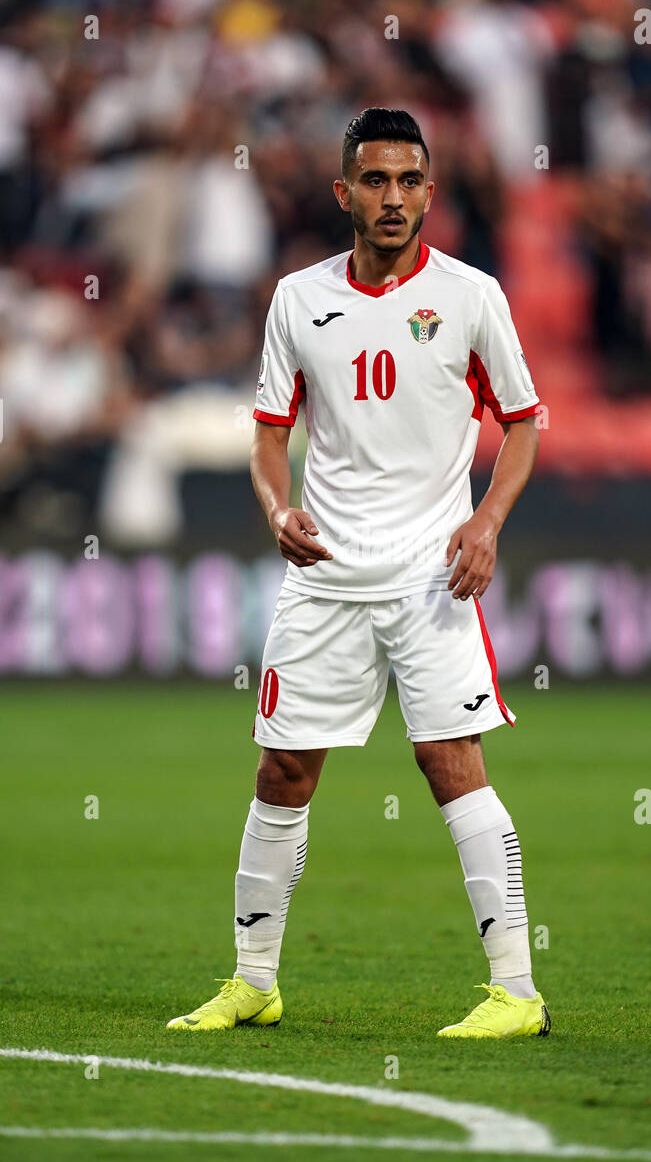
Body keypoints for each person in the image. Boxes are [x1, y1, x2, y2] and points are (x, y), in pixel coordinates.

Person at [168, 108, 549, 1039]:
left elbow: (525, 421)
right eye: (375, 181)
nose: (393, 198)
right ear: (344, 193)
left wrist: (487, 521)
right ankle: (253, 981)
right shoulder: (298, 300)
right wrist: (275, 510)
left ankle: (516, 994)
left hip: (431, 576)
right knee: (283, 771)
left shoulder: (471, 296)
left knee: (451, 763)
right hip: (326, 576)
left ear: (430, 192)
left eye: (409, 181)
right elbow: (268, 439)